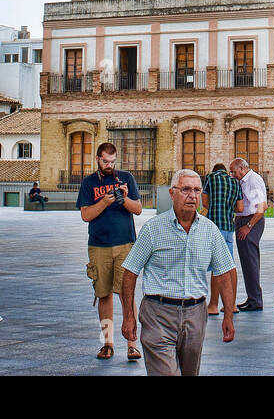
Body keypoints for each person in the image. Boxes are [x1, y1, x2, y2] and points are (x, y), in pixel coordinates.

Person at [120, 169, 237, 376]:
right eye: (185, 189)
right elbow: (130, 272)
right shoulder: (153, 229)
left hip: (195, 315)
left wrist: (228, 315)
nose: (192, 196)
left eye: (197, 190)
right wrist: (128, 316)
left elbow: (225, 273)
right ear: (172, 193)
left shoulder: (210, 230)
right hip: (158, 313)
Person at [76, 141, 143, 361]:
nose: (109, 165)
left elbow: (138, 209)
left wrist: (123, 199)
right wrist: (104, 201)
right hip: (99, 245)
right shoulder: (88, 183)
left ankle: (132, 343)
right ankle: (107, 342)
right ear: (97, 159)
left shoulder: (127, 178)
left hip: (125, 244)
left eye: (112, 161)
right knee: (103, 294)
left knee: (127, 294)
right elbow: (86, 215)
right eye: (105, 161)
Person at [201, 162, 243, 317]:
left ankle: (213, 304)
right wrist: (227, 206)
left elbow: (205, 202)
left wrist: (216, 204)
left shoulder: (211, 178)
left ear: (214, 171)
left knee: (217, 266)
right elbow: (240, 208)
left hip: (214, 226)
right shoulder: (235, 182)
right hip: (228, 228)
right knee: (229, 265)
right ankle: (231, 305)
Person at [230, 158, 267, 310]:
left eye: (234, 171)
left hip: (251, 221)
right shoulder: (245, 181)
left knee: (250, 261)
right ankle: (252, 298)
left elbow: (262, 207)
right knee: (247, 261)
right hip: (244, 220)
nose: (232, 175)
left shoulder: (253, 181)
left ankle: (255, 301)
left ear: (242, 168)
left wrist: (248, 226)